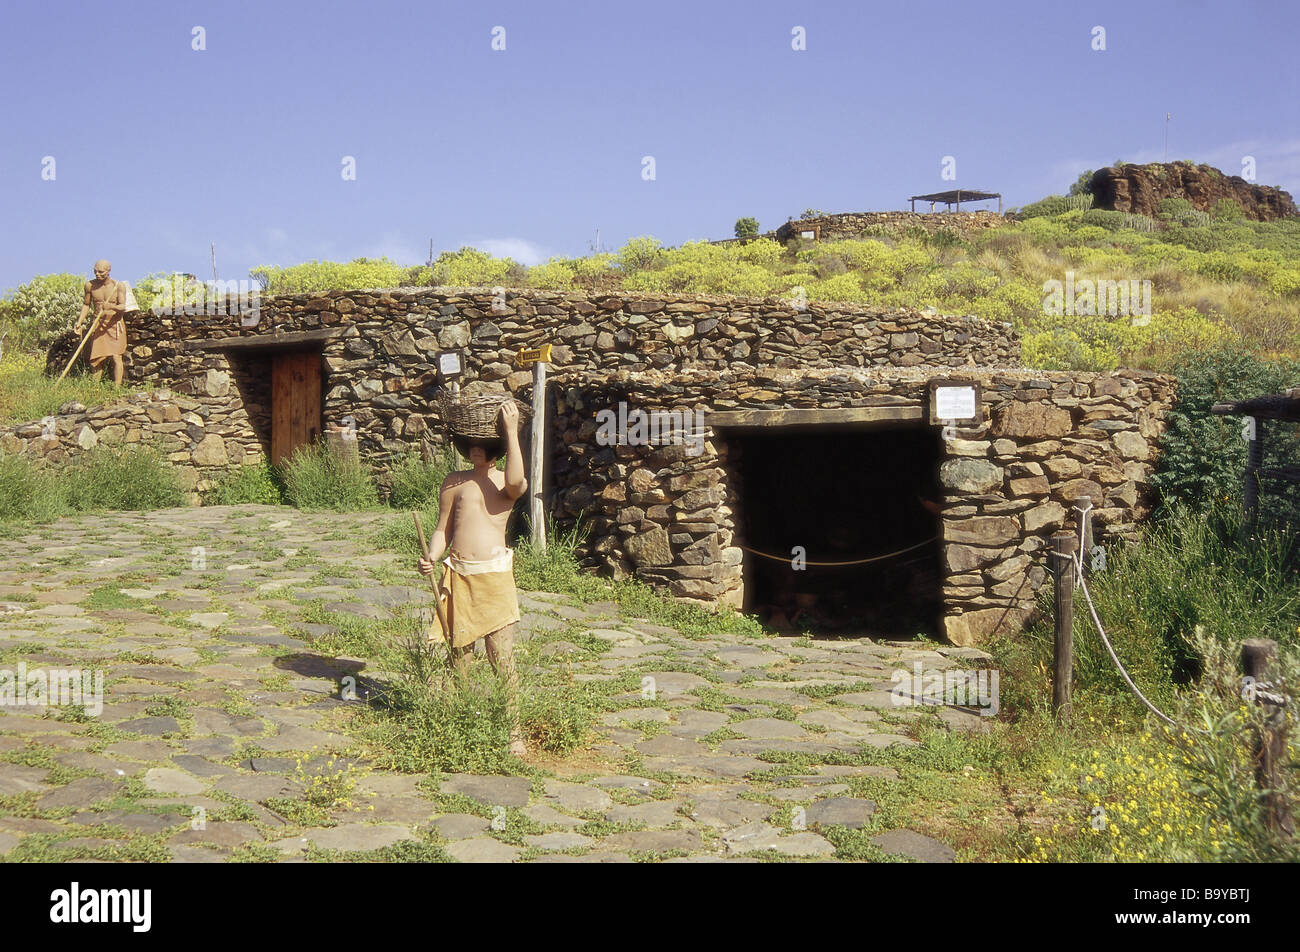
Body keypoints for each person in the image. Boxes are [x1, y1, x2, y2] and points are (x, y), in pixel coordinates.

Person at [417, 400, 529, 756]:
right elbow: (441, 530)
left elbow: (517, 481)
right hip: (459, 577)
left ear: (494, 447)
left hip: (494, 578)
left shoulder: (505, 483)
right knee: (460, 657)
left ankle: (513, 732)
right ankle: (464, 720)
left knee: (501, 656)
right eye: (472, 445)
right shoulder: (454, 482)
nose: (477, 450)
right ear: (465, 445)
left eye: (484, 445)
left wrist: (511, 431)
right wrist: (432, 556)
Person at [74, 260, 128, 386]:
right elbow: (86, 305)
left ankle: (117, 389)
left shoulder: (118, 286)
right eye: (95, 271)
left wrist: (111, 306)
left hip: (115, 324)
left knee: (116, 357)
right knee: (97, 358)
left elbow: (123, 307)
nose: (97, 274)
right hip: (98, 324)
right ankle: (95, 389)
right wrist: (79, 322)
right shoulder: (90, 286)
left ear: (108, 271)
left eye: (101, 272)